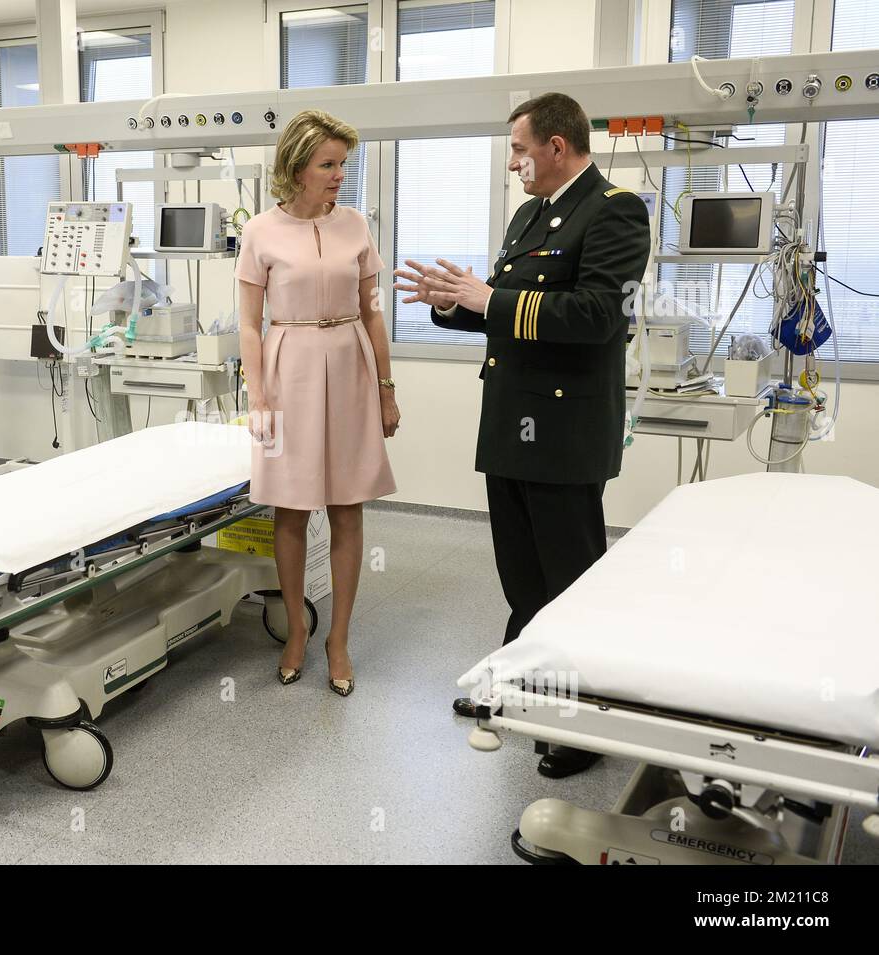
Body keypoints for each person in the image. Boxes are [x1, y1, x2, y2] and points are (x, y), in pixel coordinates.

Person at [393, 92, 650, 777]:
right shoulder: (530, 213)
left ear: (556, 147)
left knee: (568, 580)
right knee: (524, 579)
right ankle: (520, 686)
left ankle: (578, 722)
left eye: (518, 149)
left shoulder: (616, 210)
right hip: (511, 422)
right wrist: (455, 304)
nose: (513, 163)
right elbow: (505, 311)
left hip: (564, 431)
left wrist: (490, 298)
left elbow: (598, 315)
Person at [236, 109, 399, 698]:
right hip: (290, 364)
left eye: (342, 165)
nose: (338, 176)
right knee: (290, 507)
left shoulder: (355, 225)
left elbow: (374, 310)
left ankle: (340, 638)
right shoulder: (261, 232)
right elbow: (249, 326)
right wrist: (258, 396)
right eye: (328, 165)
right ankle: (298, 632)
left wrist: (385, 386)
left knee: (348, 505)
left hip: (350, 359)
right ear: (297, 167)